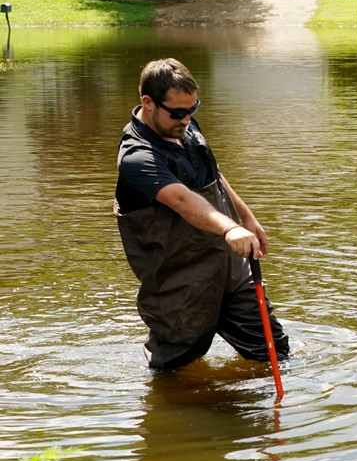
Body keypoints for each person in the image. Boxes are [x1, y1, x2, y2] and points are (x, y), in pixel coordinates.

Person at [115, 58, 290, 369]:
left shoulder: (184, 124)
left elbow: (212, 173)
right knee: (175, 371)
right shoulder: (136, 157)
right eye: (179, 112)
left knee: (273, 352)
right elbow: (182, 200)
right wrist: (229, 229)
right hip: (181, 284)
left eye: (193, 109)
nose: (186, 119)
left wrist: (246, 217)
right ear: (148, 102)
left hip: (231, 270)